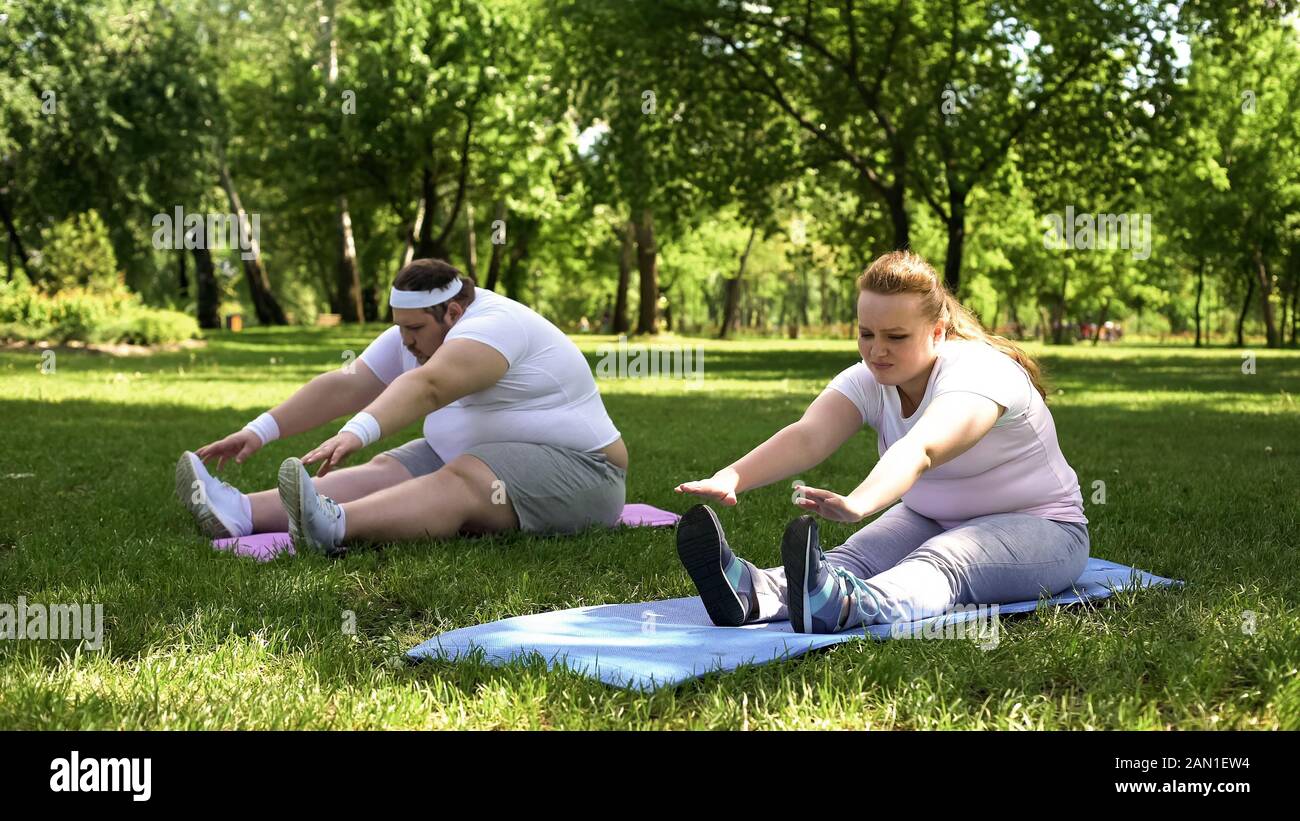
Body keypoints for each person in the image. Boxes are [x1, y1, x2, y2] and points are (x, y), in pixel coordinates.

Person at [673, 250, 1089, 634]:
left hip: (1044, 527)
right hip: (929, 517)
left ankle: (852, 606)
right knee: (847, 561)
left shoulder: (981, 374)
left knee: (943, 560)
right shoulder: (869, 379)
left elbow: (920, 449)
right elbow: (808, 436)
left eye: (896, 337)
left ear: (938, 332)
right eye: (866, 334)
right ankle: (751, 593)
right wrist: (731, 477)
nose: (877, 351)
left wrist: (859, 503)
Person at [176, 258, 628, 555]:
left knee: (464, 476)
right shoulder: (419, 330)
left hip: (587, 476)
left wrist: (357, 431)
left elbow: (429, 386)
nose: (405, 342)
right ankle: (239, 511)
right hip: (481, 457)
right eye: (400, 329)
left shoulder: (496, 326)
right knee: (388, 470)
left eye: (413, 329)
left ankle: (333, 529)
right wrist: (258, 430)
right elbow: (347, 384)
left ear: (452, 313)